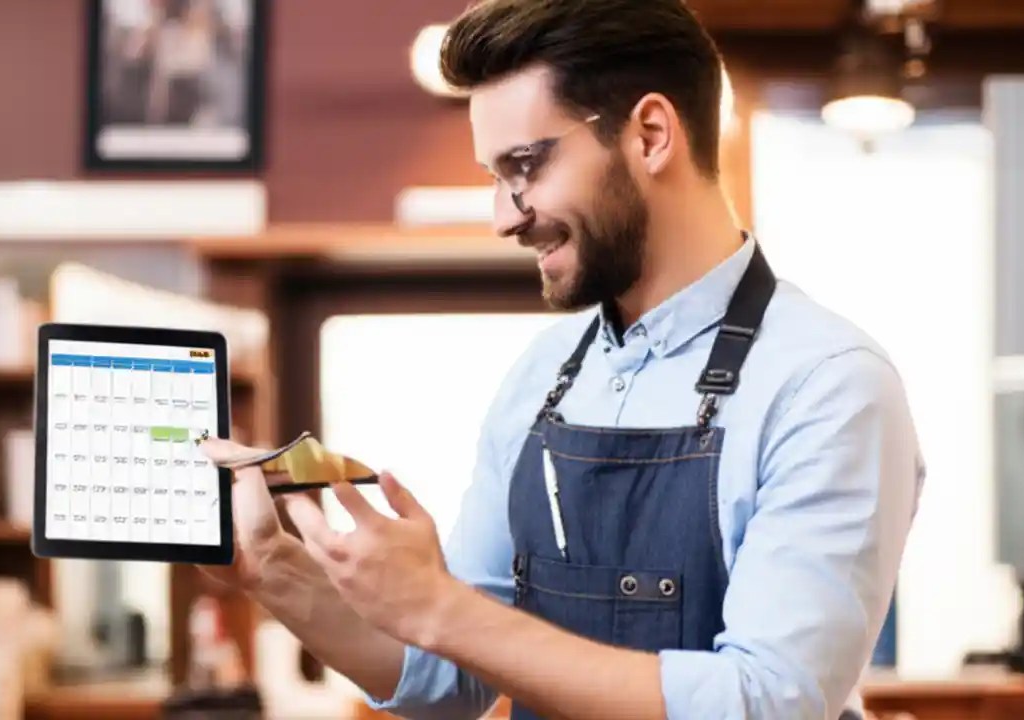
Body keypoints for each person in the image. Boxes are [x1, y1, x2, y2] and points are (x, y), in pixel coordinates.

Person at [200, 0, 926, 717]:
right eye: (495, 177)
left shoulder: (828, 385)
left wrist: (445, 609)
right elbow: (447, 682)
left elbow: (766, 703)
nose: (503, 217)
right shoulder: (543, 378)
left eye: (525, 167)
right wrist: (276, 569)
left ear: (649, 135)